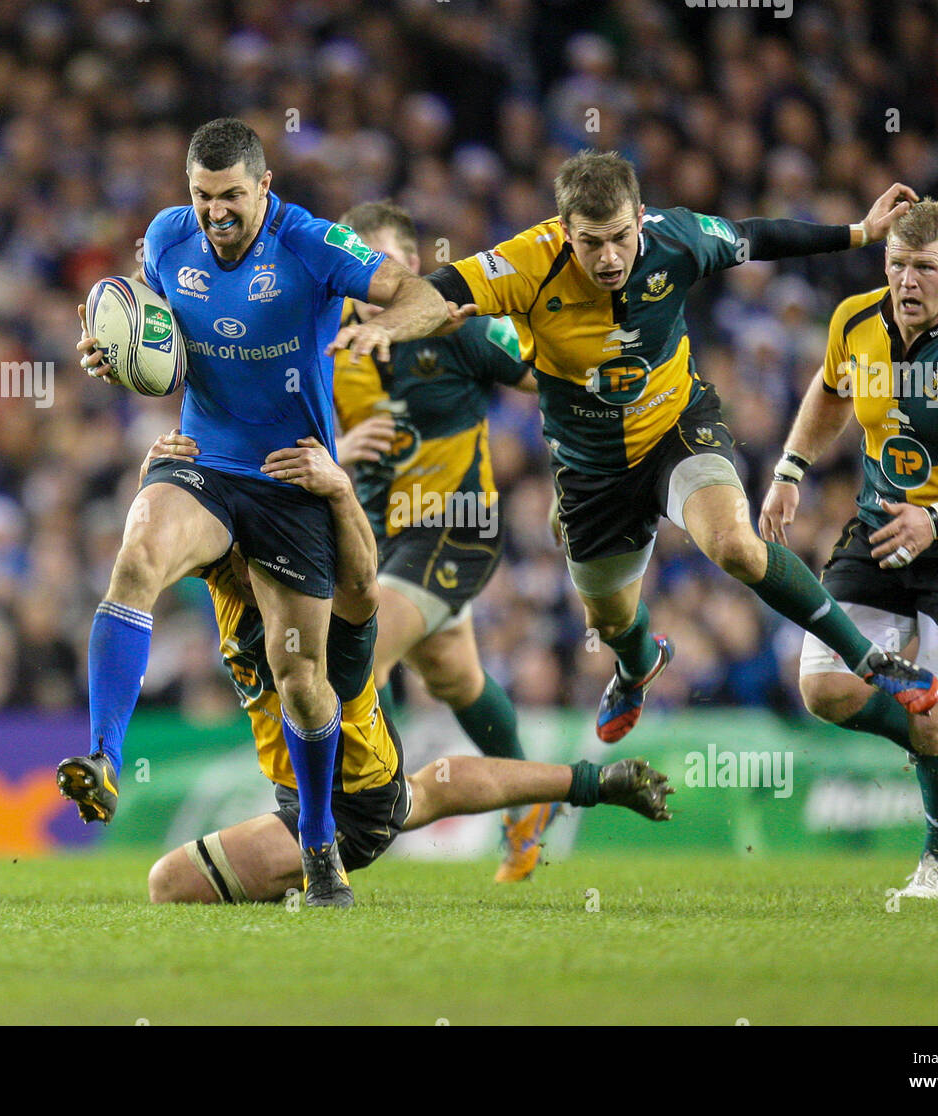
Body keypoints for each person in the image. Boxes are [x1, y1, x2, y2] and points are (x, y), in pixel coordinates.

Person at [376, 151, 938, 746]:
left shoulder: (678, 238)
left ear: (640, 217)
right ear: (564, 232)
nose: (610, 257)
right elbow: (433, 290)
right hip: (590, 469)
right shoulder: (524, 262)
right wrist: (381, 325)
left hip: (678, 426)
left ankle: (867, 659)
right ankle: (638, 663)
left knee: (735, 547)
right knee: (610, 619)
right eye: (592, 243)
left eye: (621, 236)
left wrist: (859, 232)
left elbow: (753, 237)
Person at [56, 117, 446, 907]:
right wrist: (115, 357)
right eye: (203, 197)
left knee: (300, 675)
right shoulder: (166, 241)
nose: (216, 213)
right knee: (135, 557)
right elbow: (161, 343)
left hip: (291, 479)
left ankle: (318, 848)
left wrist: (383, 335)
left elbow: (424, 297)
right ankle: (102, 756)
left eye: (232, 195)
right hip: (203, 463)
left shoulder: (311, 243)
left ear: (265, 188)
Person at [139, 431, 674, 905]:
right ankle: (599, 781)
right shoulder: (229, 575)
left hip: (347, 807)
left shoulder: (329, 627)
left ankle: (314, 866)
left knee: (168, 882)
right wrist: (157, 476)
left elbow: (365, 586)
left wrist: (342, 490)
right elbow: (159, 542)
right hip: (346, 783)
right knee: (425, 787)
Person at [759, 199, 938, 898]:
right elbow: (830, 392)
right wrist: (790, 470)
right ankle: (918, 719)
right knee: (824, 687)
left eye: (923, 267)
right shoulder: (854, 321)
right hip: (883, 527)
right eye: (895, 265)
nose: (906, 280)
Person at [330, 200, 559, 883]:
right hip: (380, 539)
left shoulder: (458, 327)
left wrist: (578, 480)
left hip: (457, 528)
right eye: (359, 267)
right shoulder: (323, 339)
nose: (375, 282)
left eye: (388, 266)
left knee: (356, 662)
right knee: (456, 678)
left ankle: (369, 811)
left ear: (413, 271)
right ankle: (531, 800)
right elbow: (283, 438)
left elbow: (551, 383)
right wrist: (339, 449)